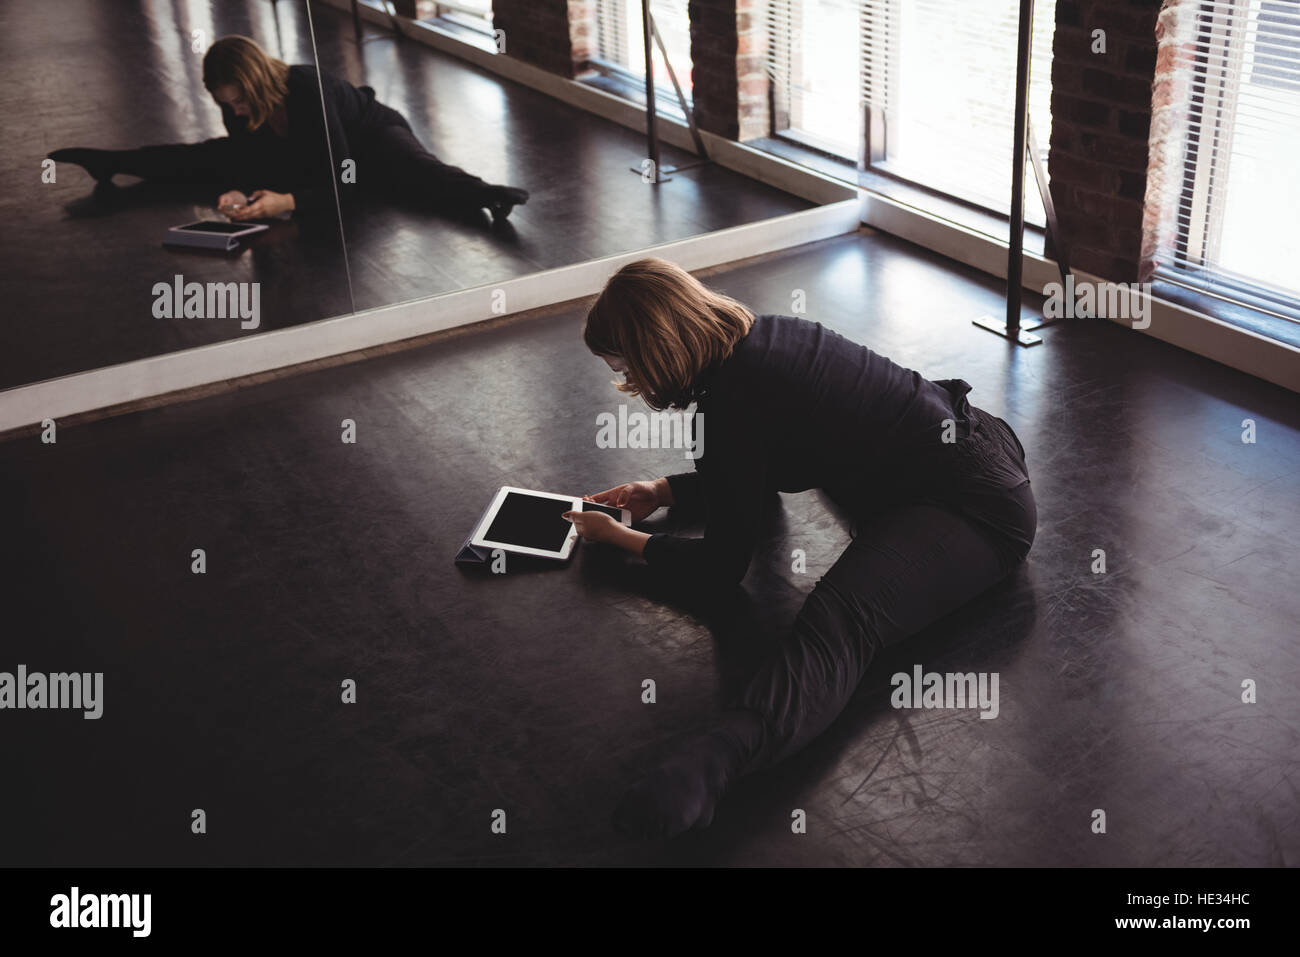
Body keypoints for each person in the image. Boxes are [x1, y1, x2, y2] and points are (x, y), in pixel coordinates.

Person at [562, 257, 1038, 839]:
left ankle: (715, 761)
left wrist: (622, 539)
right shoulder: (765, 338)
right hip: (983, 439)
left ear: (655, 350)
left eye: (624, 365)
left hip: (980, 511)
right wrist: (661, 491)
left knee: (840, 619)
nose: (627, 382)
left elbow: (719, 568)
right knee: (841, 476)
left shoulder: (729, 405)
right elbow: (759, 471)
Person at [48, 35, 529, 223]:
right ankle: (112, 162)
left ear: (256, 83)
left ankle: (491, 194)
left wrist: (287, 201)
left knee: (413, 173)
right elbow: (243, 157)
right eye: (224, 102)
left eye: (237, 99)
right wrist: (238, 186)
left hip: (366, 140)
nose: (232, 109)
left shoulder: (306, 89)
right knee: (202, 158)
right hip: (301, 156)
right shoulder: (237, 107)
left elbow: (344, 180)